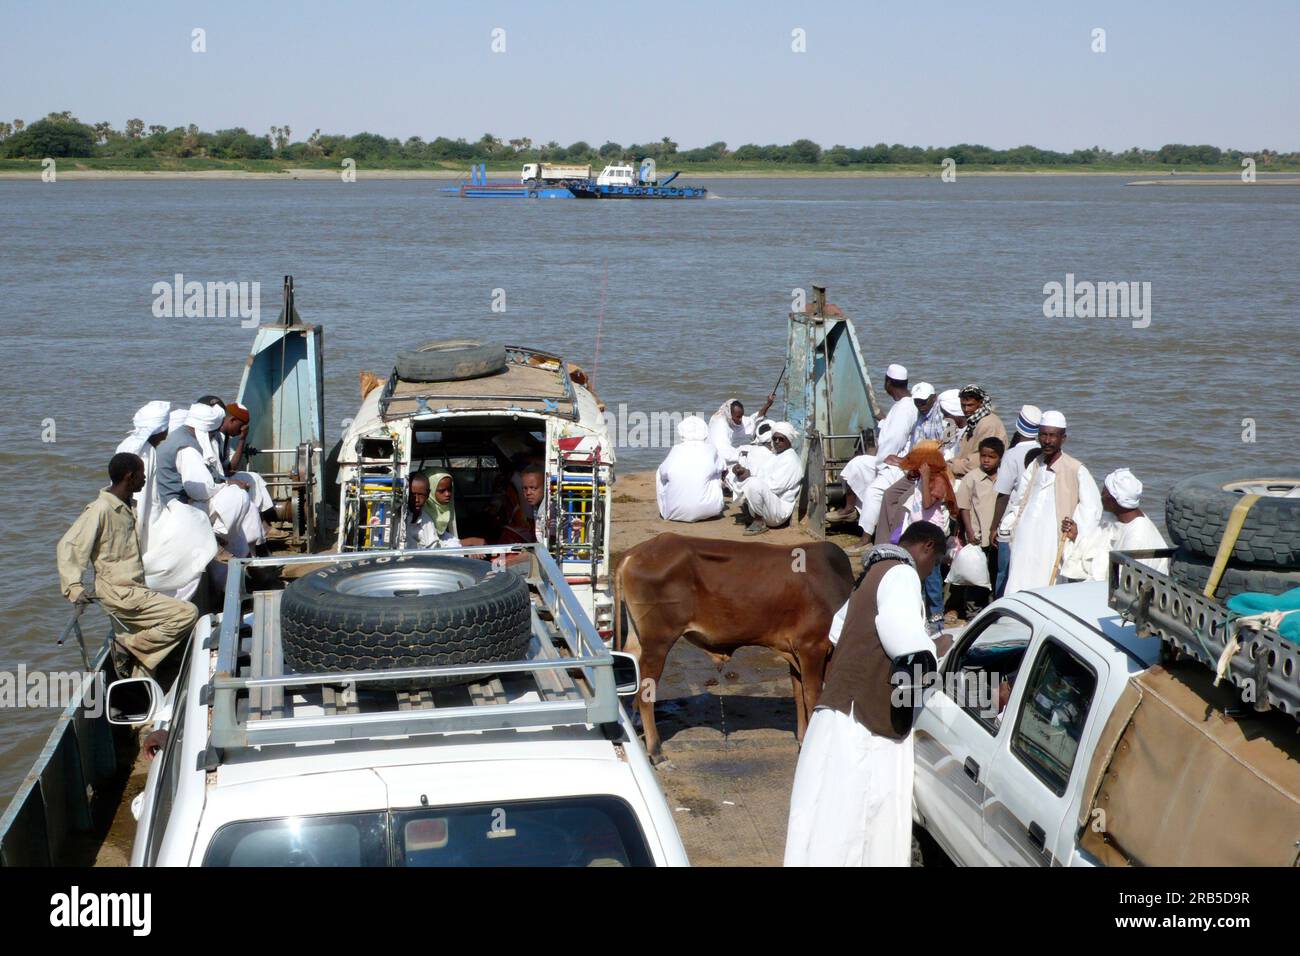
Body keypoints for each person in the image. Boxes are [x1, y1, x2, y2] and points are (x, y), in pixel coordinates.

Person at [784, 521, 946, 867]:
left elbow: (838, 629)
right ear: (927, 547)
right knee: (862, 825)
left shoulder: (870, 576)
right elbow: (902, 638)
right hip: (865, 726)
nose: (931, 573)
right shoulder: (902, 574)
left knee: (824, 819)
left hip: (837, 711)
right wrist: (934, 653)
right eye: (935, 566)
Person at [57, 453, 199, 679]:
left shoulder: (126, 506)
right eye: (142, 474)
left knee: (155, 650)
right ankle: (129, 645)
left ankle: (139, 674)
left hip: (135, 588)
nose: (145, 479)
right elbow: (70, 546)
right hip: (120, 594)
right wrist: (74, 587)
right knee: (186, 614)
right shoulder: (101, 509)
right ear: (130, 477)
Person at [1003, 411, 1102, 594]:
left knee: (1046, 582)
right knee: (1018, 578)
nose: (1047, 440)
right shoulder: (1035, 464)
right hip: (1025, 537)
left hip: (1052, 539)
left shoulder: (1076, 469)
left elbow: (1092, 509)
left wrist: (1076, 528)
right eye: (1043, 434)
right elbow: (1019, 499)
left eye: (1052, 435)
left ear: (1063, 438)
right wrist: (1010, 526)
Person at [835, 364, 918, 541]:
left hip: (895, 463)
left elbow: (894, 440)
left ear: (888, 383)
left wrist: (882, 465)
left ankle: (866, 538)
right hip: (887, 458)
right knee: (856, 465)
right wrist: (882, 419)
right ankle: (849, 509)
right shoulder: (902, 404)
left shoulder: (904, 407)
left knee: (874, 491)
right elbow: (893, 428)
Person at [1059, 468, 1170, 580]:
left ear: (1114, 500)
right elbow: (1097, 549)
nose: (1101, 496)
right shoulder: (1115, 520)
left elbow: (1123, 583)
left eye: (1104, 492)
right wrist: (1075, 536)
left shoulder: (1138, 537)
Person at [989, 405, 1042, 597]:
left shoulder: (1011, 455)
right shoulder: (1042, 452)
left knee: (1004, 572)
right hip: (1034, 519)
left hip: (1011, 522)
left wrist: (993, 526)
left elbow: (1003, 495)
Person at [953, 436, 1004, 618]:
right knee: (975, 575)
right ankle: (972, 613)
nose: (986, 460)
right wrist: (969, 530)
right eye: (983, 456)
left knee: (994, 572)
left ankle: (991, 610)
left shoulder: (1005, 477)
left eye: (992, 457)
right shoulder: (972, 477)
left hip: (997, 537)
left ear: (1000, 458)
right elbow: (964, 506)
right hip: (977, 534)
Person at [115, 400, 171, 553]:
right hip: (144, 518)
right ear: (159, 430)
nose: (166, 435)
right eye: (166, 429)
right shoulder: (147, 452)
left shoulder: (126, 443)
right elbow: (144, 498)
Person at [733, 422, 802, 534]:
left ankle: (759, 522)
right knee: (742, 478)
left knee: (753, 483)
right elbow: (762, 474)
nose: (777, 442)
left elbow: (774, 487)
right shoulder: (776, 455)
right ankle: (754, 514)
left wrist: (750, 477)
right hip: (770, 505)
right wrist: (745, 472)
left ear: (789, 440)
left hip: (778, 511)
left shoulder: (790, 460)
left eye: (781, 439)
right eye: (774, 438)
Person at [656, 416, 726, 522]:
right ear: (705, 431)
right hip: (710, 511)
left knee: (660, 471)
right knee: (717, 470)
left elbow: (663, 472)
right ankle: (711, 505)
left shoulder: (676, 449)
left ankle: (669, 507)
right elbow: (723, 467)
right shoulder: (711, 449)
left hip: (673, 513)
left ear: (681, 432)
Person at [949, 385, 1008, 478]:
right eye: (963, 405)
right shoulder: (974, 421)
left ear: (980, 403)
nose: (966, 409)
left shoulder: (987, 424)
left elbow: (977, 462)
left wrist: (949, 466)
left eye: (970, 405)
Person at [707, 393, 776, 464]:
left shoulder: (731, 419)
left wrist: (768, 404)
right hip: (714, 460)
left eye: (741, 416)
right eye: (738, 417)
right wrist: (744, 455)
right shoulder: (720, 426)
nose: (740, 420)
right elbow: (724, 453)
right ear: (730, 414)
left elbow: (753, 421)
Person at [936, 389, 965, 460]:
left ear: (956, 413)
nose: (944, 418)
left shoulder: (968, 433)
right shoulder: (952, 427)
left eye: (946, 414)